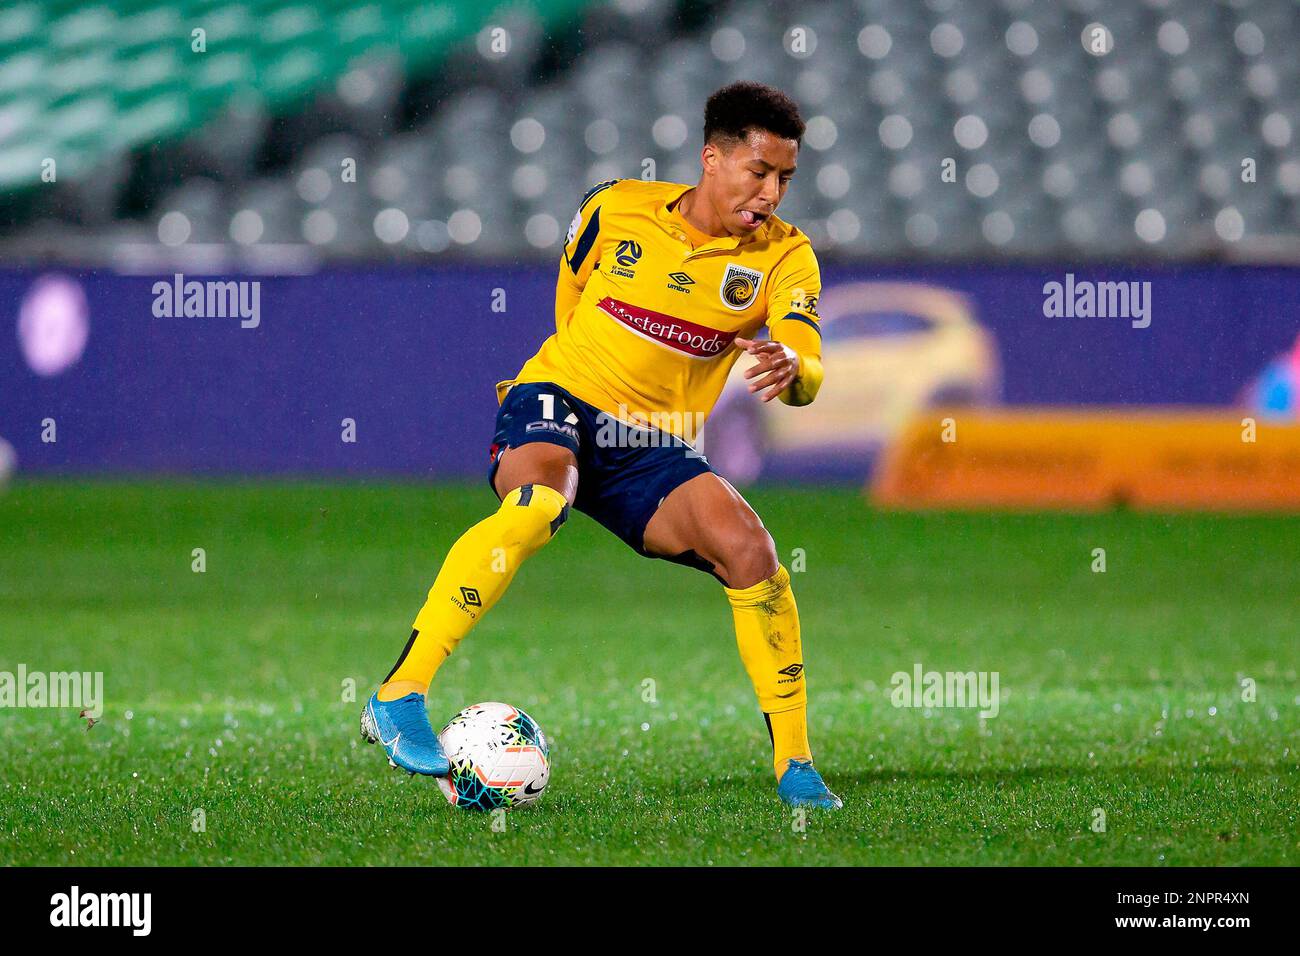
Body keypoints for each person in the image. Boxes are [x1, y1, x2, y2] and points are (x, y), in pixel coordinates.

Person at [361, 81, 840, 808]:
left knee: (752, 552)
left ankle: (795, 765)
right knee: (536, 506)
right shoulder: (614, 207)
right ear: (712, 159)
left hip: (652, 444)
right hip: (558, 397)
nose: (771, 193)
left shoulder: (784, 258)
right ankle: (399, 694)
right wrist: (574, 378)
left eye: (785, 178)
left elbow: (806, 361)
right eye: (759, 172)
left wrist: (796, 369)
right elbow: (572, 295)